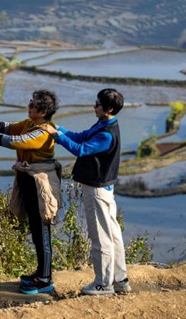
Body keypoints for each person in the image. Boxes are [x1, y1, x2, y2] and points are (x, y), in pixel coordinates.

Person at [41, 88, 130, 296]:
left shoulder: (107, 135)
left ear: (108, 108)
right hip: (104, 189)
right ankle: (120, 279)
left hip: (97, 191)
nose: (94, 106)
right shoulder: (104, 125)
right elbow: (81, 137)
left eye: (98, 104)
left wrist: (57, 136)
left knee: (101, 237)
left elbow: (81, 149)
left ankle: (103, 283)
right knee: (113, 235)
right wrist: (59, 129)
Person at [0, 89, 61, 295]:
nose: (29, 106)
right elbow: (9, 128)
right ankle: (40, 272)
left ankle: (45, 278)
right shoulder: (29, 123)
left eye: (33, 104)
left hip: (40, 182)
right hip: (27, 178)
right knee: (35, 227)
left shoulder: (44, 130)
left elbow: (16, 141)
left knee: (42, 230)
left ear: (43, 111)